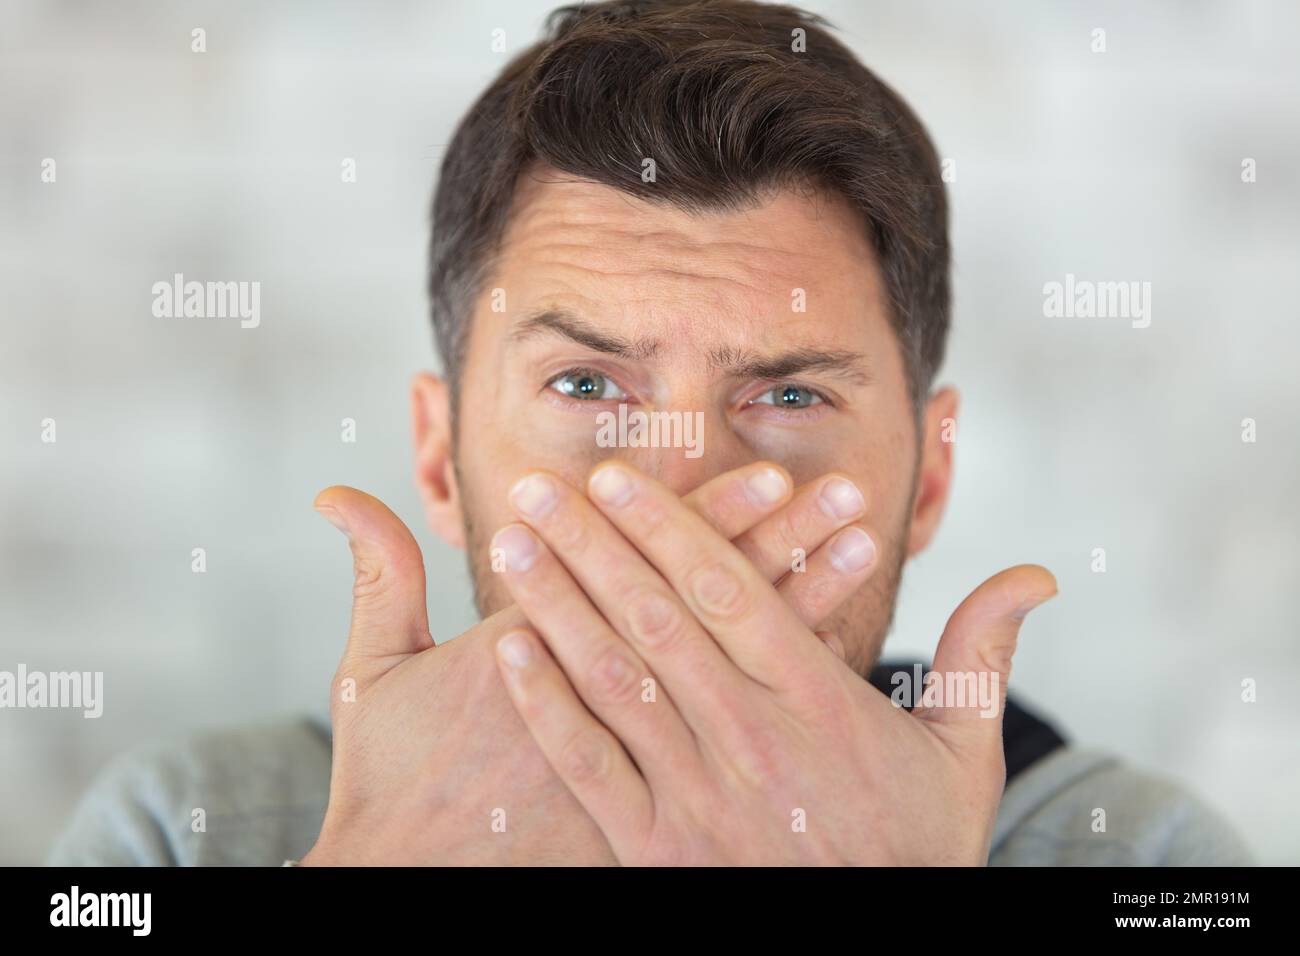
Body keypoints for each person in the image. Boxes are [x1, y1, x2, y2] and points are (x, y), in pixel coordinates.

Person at [48, 0, 1250, 866]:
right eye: (582, 386)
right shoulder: (175, 834)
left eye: (787, 396)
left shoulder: (1149, 860)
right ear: (439, 459)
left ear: (925, 479)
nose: (676, 494)